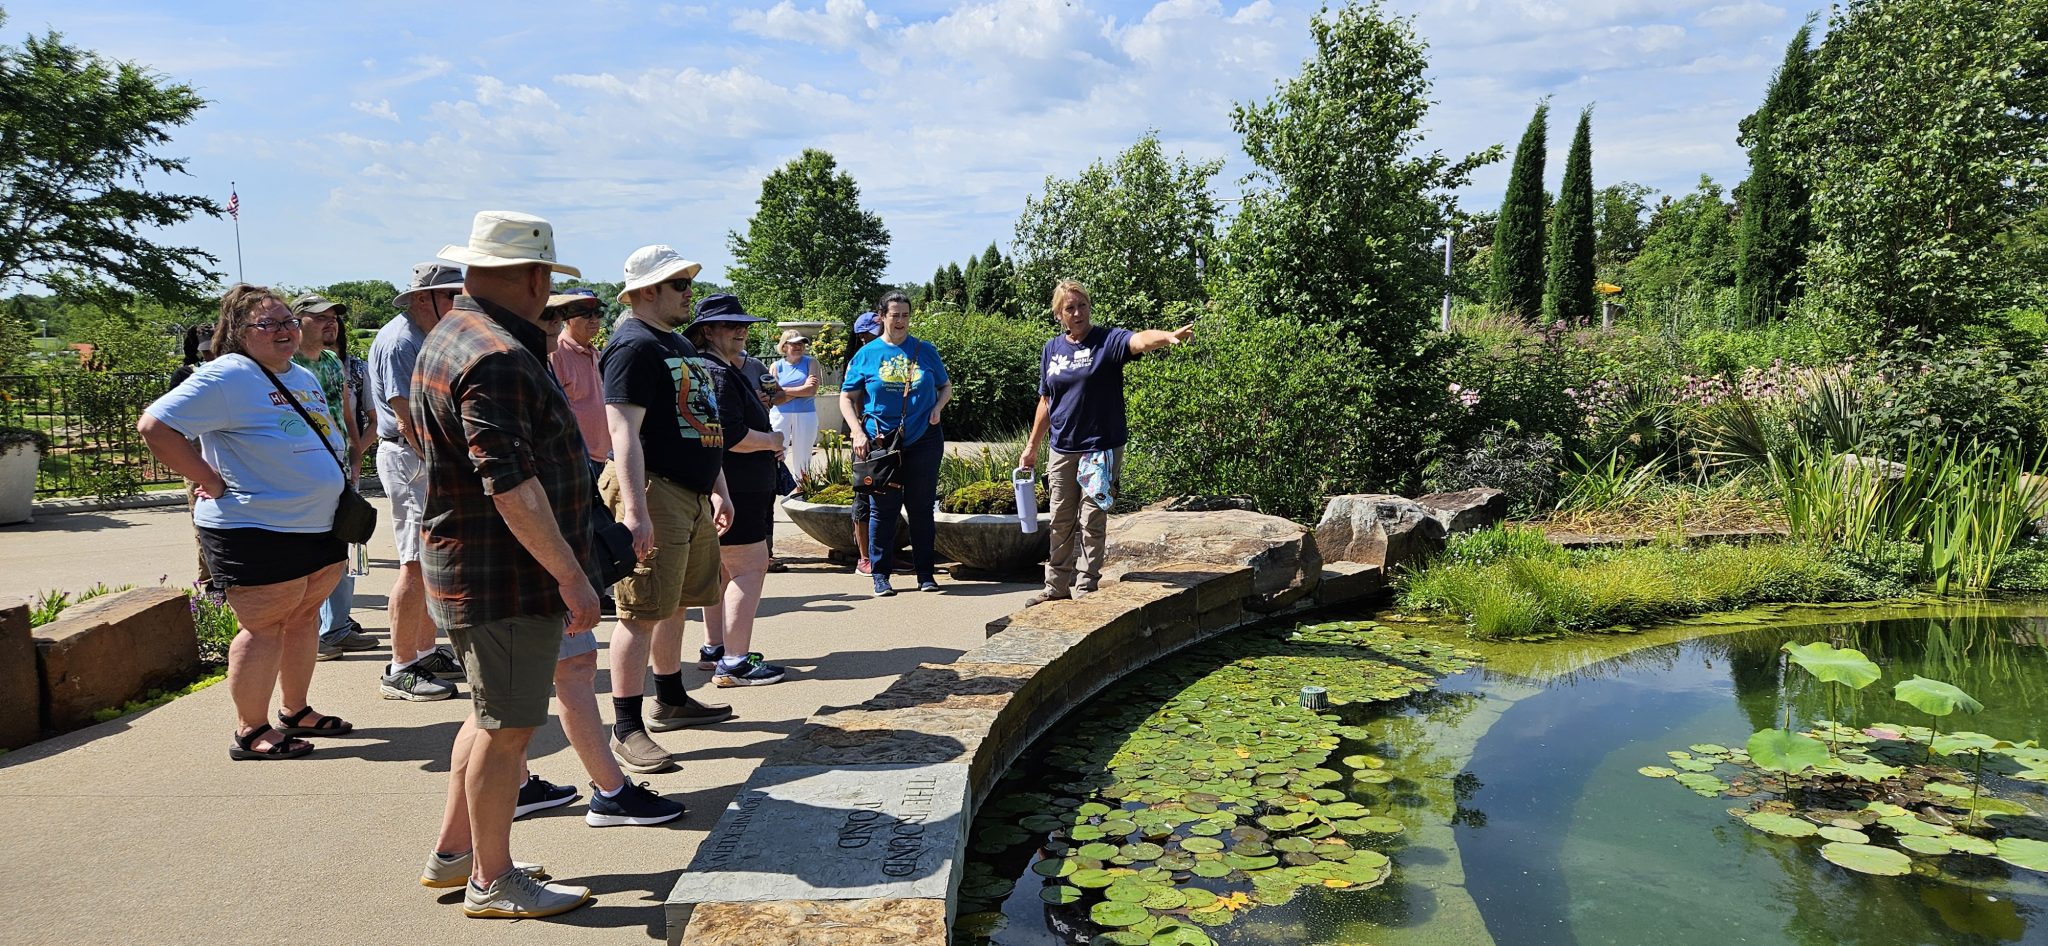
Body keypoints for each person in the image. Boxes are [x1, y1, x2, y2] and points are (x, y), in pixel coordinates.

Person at [413, 210, 598, 918]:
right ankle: (493, 880)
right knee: (507, 728)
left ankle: (456, 855)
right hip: (507, 577)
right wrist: (571, 575)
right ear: (535, 277)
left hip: (479, 567)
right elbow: (510, 483)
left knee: (489, 714)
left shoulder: (454, 333)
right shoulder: (496, 354)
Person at [137, 285, 351, 761]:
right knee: (264, 626)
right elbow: (155, 427)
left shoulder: (300, 374)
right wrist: (209, 480)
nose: (283, 330)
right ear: (238, 331)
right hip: (256, 527)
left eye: (287, 321)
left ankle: (295, 710)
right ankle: (251, 730)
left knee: (303, 618)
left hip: (319, 524)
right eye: (267, 323)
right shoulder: (228, 374)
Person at [600, 244, 738, 776]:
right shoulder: (632, 346)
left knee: (675, 602)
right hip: (655, 491)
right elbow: (622, 433)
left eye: (688, 282)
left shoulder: (675, 342)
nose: (689, 292)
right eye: (679, 284)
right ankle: (626, 727)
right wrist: (636, 511)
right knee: (639, 613)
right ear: (646, 291)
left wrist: (717, 486)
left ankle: (672, 699)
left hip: (691, 493)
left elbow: (704, 423)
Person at [1021, 280, 1192, 604]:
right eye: (1070, 308)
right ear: (1059, 314)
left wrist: (1166, 337)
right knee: (1060, 519)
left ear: (1089, 307)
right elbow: (1046, 401)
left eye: (1082, 305)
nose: (1077, 313)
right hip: (1062, 447)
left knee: (1091, 519)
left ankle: (1087, 587)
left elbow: (1138, 341)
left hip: (1100, 449)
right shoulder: (1052, 349)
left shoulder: (1106, 341)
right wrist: (1031, 447)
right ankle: (1056, 587)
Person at [367, 264, 466, 702]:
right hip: (411, 459)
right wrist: (443, 463)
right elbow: (405, 416)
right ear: (424, 298)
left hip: (422, 458)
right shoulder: (400, 340)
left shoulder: (425, 334)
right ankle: (401, 667)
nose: (458, 302)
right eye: (450, 295)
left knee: (429, 560)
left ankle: (424, 652)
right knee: (413, 563)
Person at [683, 295, 788, 686]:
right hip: (738, 486)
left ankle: (716, 648)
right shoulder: (720, 373)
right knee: (749, 567)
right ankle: (736, 661)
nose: (741, 330)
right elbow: (729, 435)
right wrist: (772, 440)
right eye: (730, 324)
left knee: (724, 571)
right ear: (708, 331)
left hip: (728, 484)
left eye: (743, 324)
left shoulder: (706, 368)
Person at [840, 291, 951, 597]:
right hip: (882, 442)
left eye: (905, 315)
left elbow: (945, 386)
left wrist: (937, 407)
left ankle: (925, 574)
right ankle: (880, 575)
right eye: (894, 315)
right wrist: (856, 431)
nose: (900, 321)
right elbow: (847, 397)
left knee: (921, 508)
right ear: (882, 317)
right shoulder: (867, 354)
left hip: (924, 438)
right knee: (883, 510)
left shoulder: (924, 350)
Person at [291, 294, 378, 661]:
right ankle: (310, 635)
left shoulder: (330, 361)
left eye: (333, 317)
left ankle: (338, 627)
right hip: (304, 472)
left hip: (339, 469)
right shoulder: (285, 363)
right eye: (319, 317)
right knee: (308, 556)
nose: (331, 323)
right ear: (297, 322)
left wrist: (356, 453)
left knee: (346, 549)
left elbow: (345, 412)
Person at [548, 288, 611, 479]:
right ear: (567, 318)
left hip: (605, 457)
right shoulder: (556, 353)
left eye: (597, 313)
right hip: (579, 458)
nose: (594, 319)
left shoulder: (596, 353)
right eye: (586, 314)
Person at [847, 310, 882, 576]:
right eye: (874, 333)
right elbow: (852, 399)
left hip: (886, 438)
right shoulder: (859, 360)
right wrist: (859, 431)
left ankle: (883, 553)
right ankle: (864, 557)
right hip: (865, 437)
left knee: (887, 495)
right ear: (862, 336)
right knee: (864, 495)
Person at [769, 329, 820, 487]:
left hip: (806, 414)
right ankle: (776, 485)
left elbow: (811, 390)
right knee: (777, 451)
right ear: (784, 346)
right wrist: (801, 389)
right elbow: (773, 397)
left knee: (803, 454)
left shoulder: (811, 362)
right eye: (794, 344)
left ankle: (803, 488)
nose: (799, 347)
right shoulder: (776, 366)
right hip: (779, 415)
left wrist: (783, 391)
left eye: (801, 343)